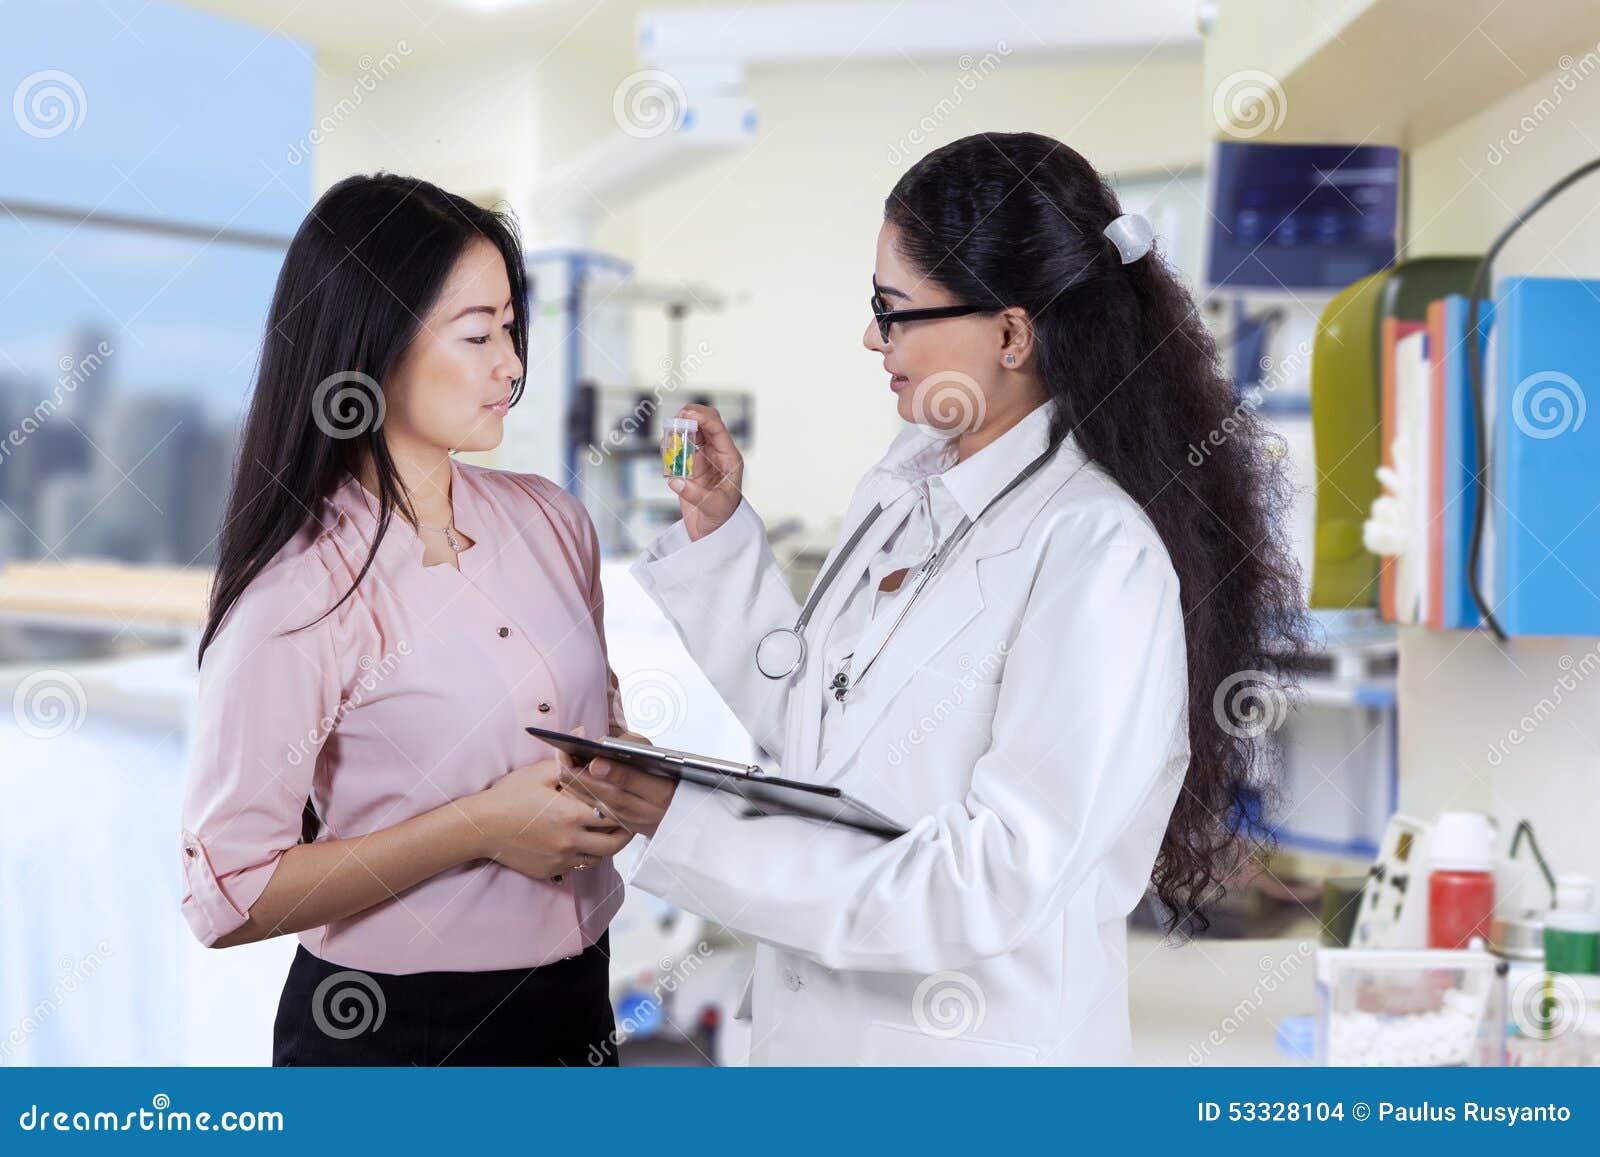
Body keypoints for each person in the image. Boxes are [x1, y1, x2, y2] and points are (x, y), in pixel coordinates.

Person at [561, 132, 1309, 1065]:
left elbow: (986, 881)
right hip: (817, 1040)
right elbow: (817, 727)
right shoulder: (905, 484)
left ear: (1009, 332)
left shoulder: (1094, 552)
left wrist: (686, 825)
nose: (873, 337)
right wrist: (720, 538)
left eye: (895, 310)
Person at [179, 173, 639, 1066]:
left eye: (511, 328)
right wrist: (477, 826)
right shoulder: (300, 595)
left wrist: (622, 778)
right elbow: (228, 893)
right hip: (394, 1028)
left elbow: (597, 732)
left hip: (579, 998)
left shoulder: (554, 521)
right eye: (476, 335)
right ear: (372, 348)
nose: (510, 363)